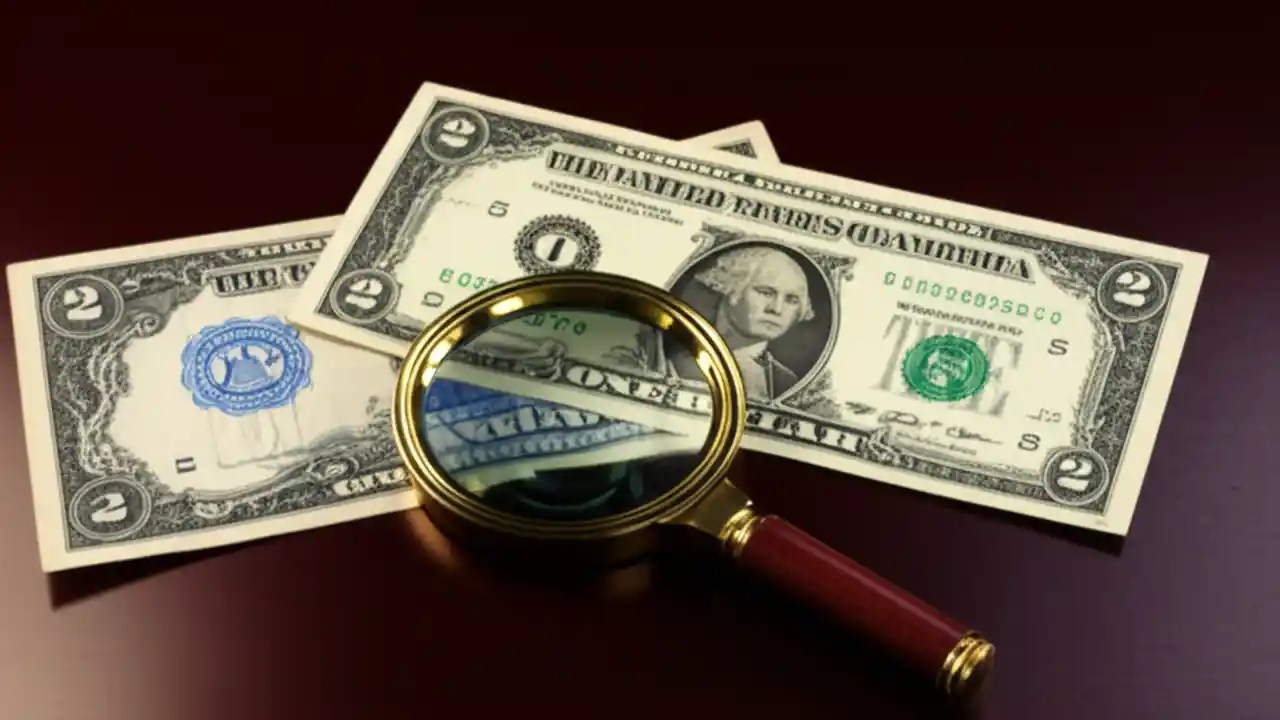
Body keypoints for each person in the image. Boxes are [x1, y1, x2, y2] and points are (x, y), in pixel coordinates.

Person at [673, 244, 815, 401]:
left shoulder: (785, 380)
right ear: (730, 288)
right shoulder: (674, 358)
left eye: (791, 300)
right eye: (766, 293)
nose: (776, 309)